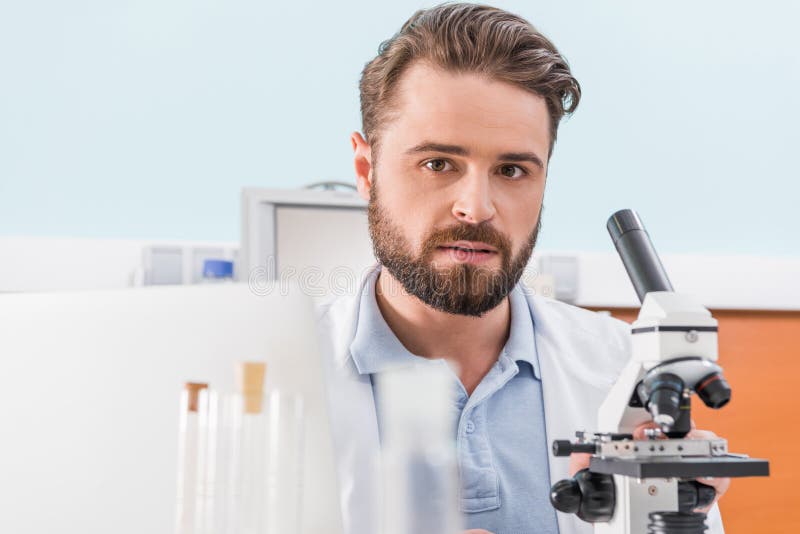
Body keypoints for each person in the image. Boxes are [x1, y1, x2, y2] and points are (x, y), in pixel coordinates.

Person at [316, 4, 728, 533]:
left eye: (511, 170)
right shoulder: (280, 372)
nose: (476, 207)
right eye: (438, 164)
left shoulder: (622, 369)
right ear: (365, 169)